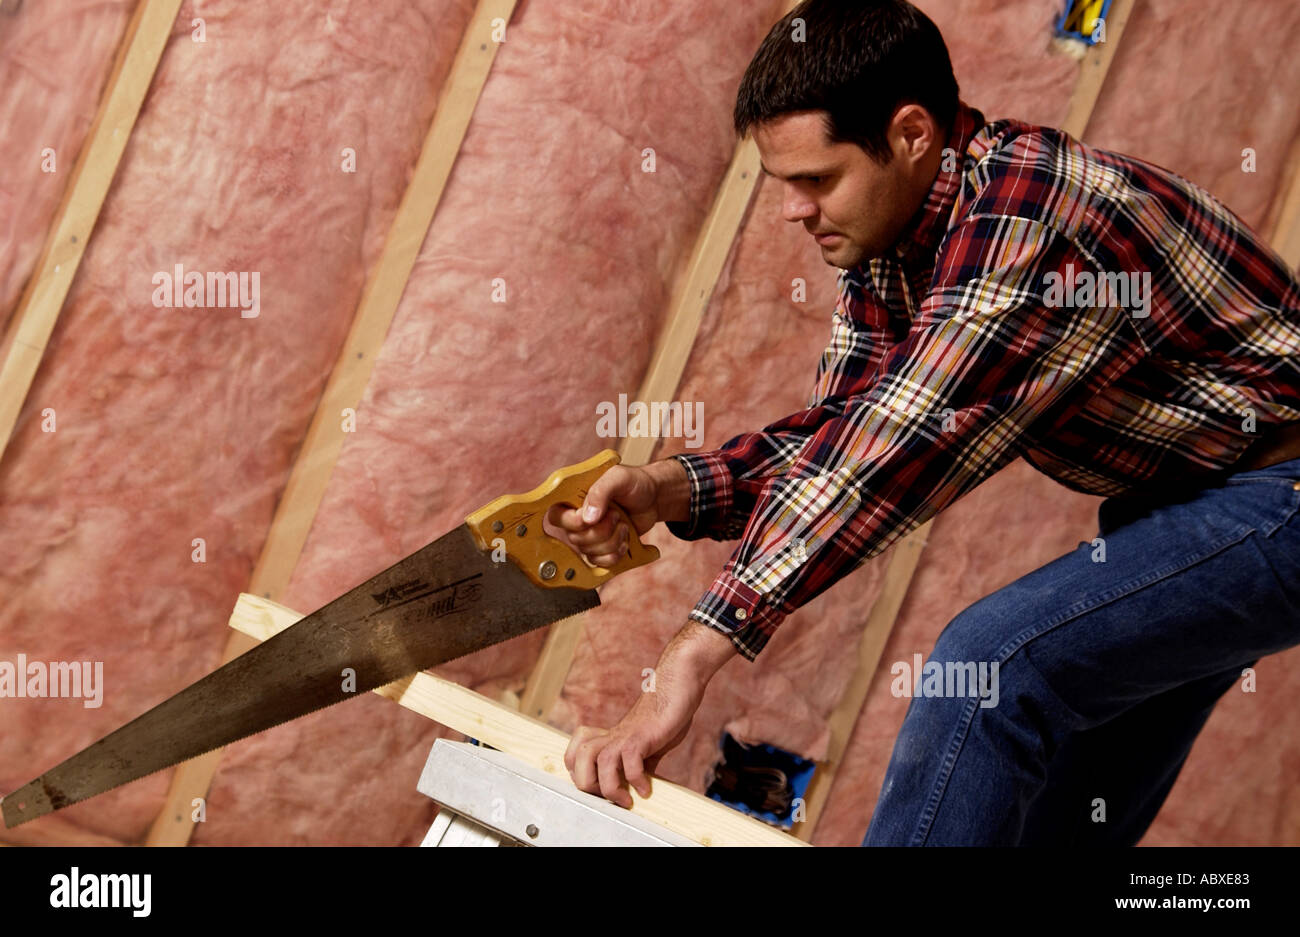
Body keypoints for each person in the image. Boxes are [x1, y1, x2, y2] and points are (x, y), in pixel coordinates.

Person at [555, 0, 1300, 845]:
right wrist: (669, 488)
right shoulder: (899, 244)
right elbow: (845, 431)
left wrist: (692, 652)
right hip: (1187, 510)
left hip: (1280, 497)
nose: (794, 211)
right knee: (1063, 818)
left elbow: (888, 452)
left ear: (911, 134)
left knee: (986, 668)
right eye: (783, 185)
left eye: (818, 179)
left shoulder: (1031, 222)